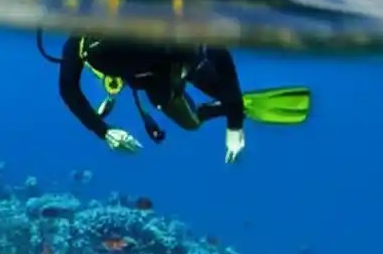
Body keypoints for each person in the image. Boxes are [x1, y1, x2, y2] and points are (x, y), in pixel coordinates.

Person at [36, 30, 311, 163]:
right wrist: (104, 132)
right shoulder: (80, 43)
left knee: (216, 85)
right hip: (151, 82)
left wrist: (235, 124)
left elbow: (220, 54)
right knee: (191, 123)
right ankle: (221, 105)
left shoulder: (165, 28)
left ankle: (233, 102)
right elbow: (67, 88)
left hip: (181, 64)